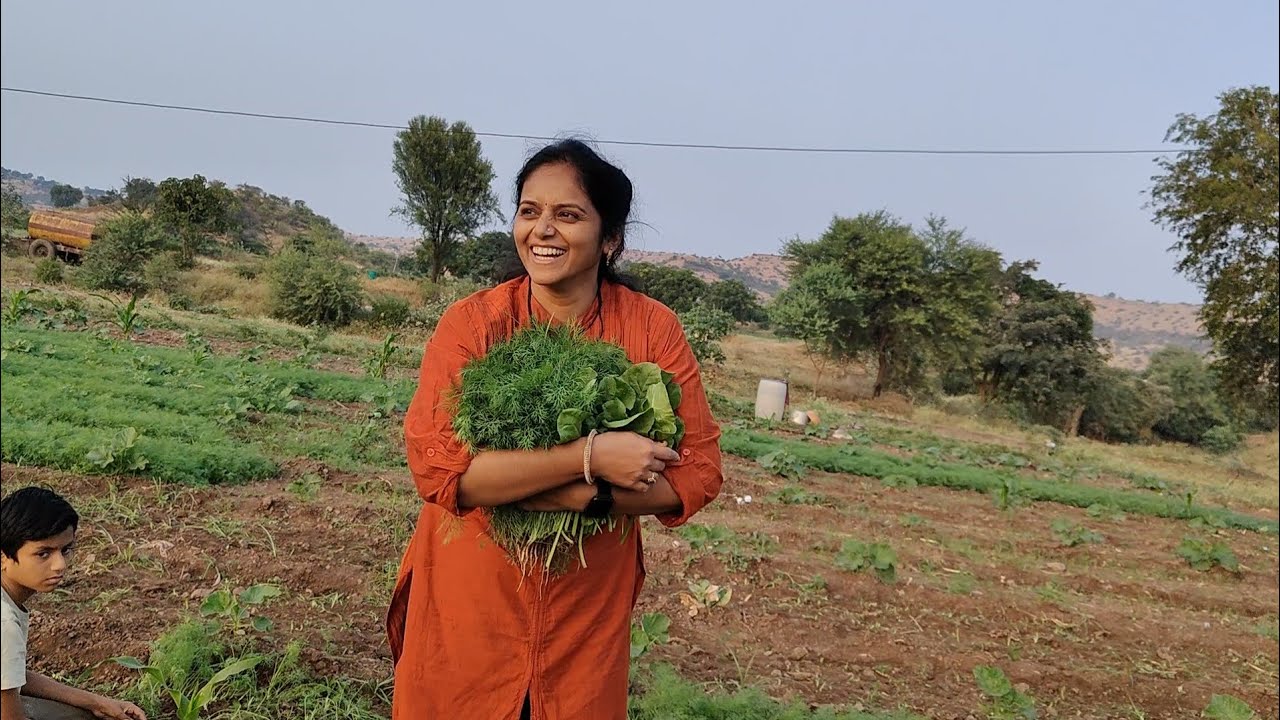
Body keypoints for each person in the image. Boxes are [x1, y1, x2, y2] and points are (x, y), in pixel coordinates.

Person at [387, 139, 724, 719]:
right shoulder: (474, 323)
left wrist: (559, 494)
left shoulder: (650, 329)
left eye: (567, 215)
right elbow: (442, 472)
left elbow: (697, 473)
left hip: (584, 607)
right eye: (529, 211)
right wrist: (587, 460)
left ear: (610, 237)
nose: (542, 230)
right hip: (472, 595)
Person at [1, 487, 147, 720]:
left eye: (66, 550)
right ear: (4, 557)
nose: (60, 565)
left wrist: (97, 702)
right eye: (43, 553)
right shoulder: (4, 622)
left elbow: (10, 674)